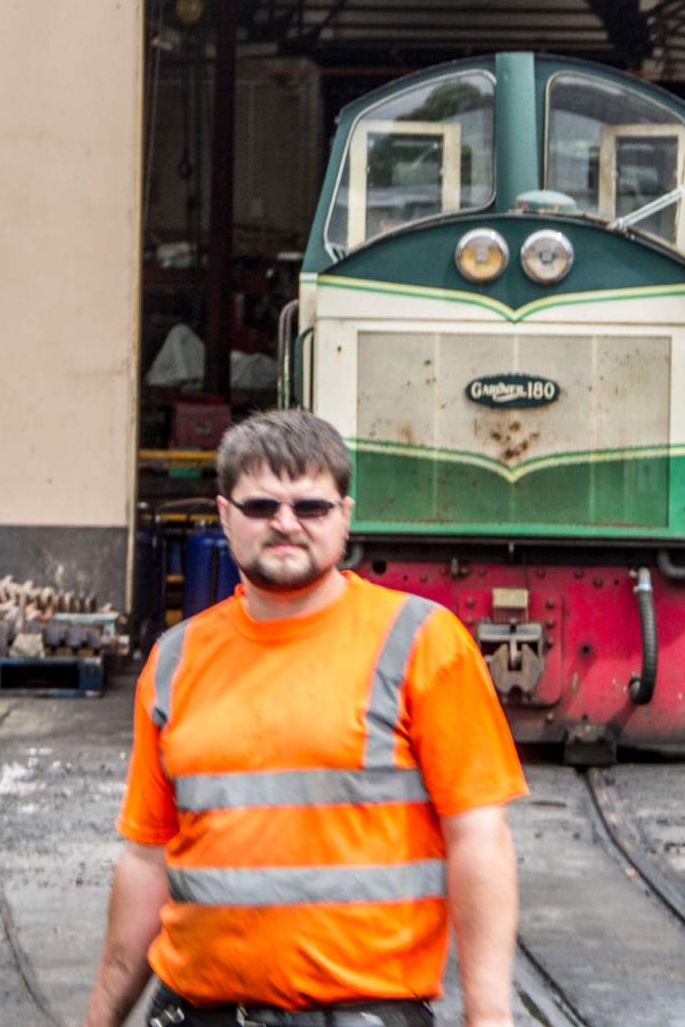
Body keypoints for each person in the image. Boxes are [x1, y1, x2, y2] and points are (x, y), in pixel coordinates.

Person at [83, 410, 526, 1027]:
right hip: (199, 1012)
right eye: (261, 505)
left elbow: (479, 840)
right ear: (224, 515)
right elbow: (145, 861)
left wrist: (490, 1016)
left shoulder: (423, 642)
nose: (286, 523)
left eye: (311, 507)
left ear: (345, 516)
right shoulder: (175, 659)